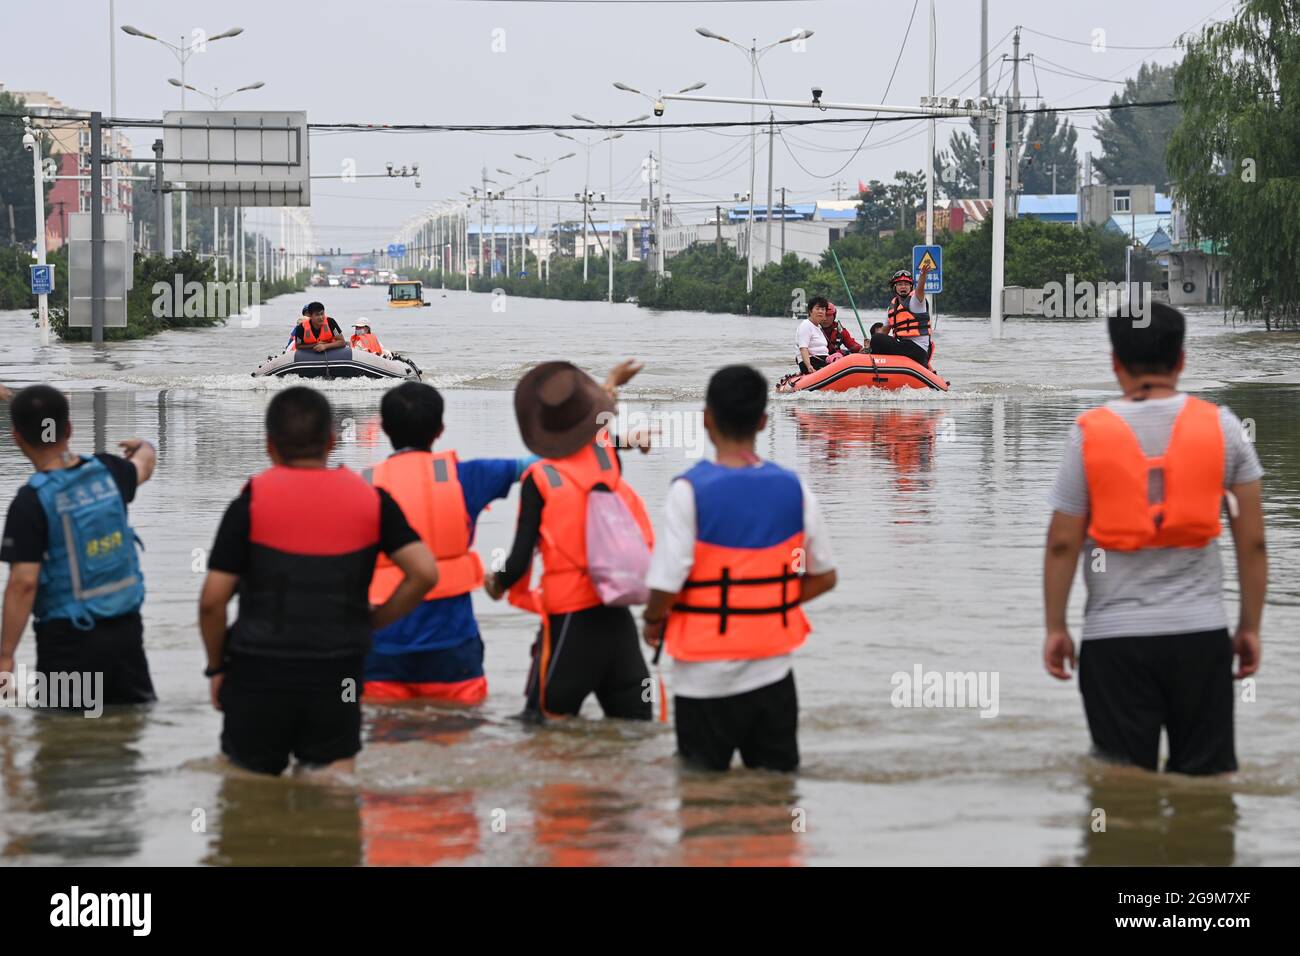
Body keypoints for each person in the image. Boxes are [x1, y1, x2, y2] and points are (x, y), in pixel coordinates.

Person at [1042, 302, 1266, 776]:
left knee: (1121, 792)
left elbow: (1063, 543)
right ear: (1182, 360)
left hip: (1114, 644)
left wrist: (1056, 628)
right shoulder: (1225, 427)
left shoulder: (1087, 434)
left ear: (1115, 363)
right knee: (1208, 790)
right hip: (1200, 639)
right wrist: (1249, 627)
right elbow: (1253, 543)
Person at [197, 386, 438, 776]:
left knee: (248, 790)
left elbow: (212, 601)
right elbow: (425, 574)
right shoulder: (373, 501)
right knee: (334, 786)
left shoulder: (249, 504)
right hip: (337, 671)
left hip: (258, 670)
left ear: (269, 445)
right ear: (330, 441)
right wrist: (374, 621)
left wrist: (215, 669)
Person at [642, 365, 837, 772]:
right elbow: (824, 575)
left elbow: (667, 581)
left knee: (700, 801)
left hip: (701, 680)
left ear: (706, 418)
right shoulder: (795, 489)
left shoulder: (688, 491)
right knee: (776, 796)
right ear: (765, 421)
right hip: (773, 675)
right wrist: (774, 601)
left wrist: (653, 621)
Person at [483, 360, 655, 721]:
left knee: (539, 730)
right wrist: (610, 386)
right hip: (619, 620)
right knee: (635, 736)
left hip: (570, 625)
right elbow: (600, 432)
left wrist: (496, 583)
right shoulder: (607, 459)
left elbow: (517, 563)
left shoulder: (540, 478)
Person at [362, 381, 537, 704]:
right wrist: (610, 437)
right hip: (452, 644)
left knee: (384, 737)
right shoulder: (469, 476)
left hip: (383, 644)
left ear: (384, 428)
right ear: (441, 429)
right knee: (456, 736)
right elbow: (543, 462)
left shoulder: (362, 486)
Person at [1, 385, 158, 705]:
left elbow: (23, 584)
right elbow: (145, 463)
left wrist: (5, 657)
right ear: (69, 428)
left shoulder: (30, 502)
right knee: (128, 736)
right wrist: (145, 444)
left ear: (17, 438)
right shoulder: (109, 471)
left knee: (65, 742)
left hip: (68, 645)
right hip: (127, 635)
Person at [871, 268, 932, 366]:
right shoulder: (892, 307)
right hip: (904, 347)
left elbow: (920, 288)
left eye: (906, 284)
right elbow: (884, 332)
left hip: (918, 350)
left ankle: (874, 366)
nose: (903, 287)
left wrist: (923, 275)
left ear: (911, 287)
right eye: (900, 284)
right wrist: (869, 345)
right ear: (894, 287)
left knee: (877, 339)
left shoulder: (916, 301)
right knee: (877, 338)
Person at [795, 296, 833, 374]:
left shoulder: (818, 327)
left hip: (823, 360)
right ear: (810, 311)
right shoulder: (806, 325)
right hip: (813, 362)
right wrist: (809, 366)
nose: (820, 311)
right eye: (817, 309)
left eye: (823, 309)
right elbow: (803, 348)